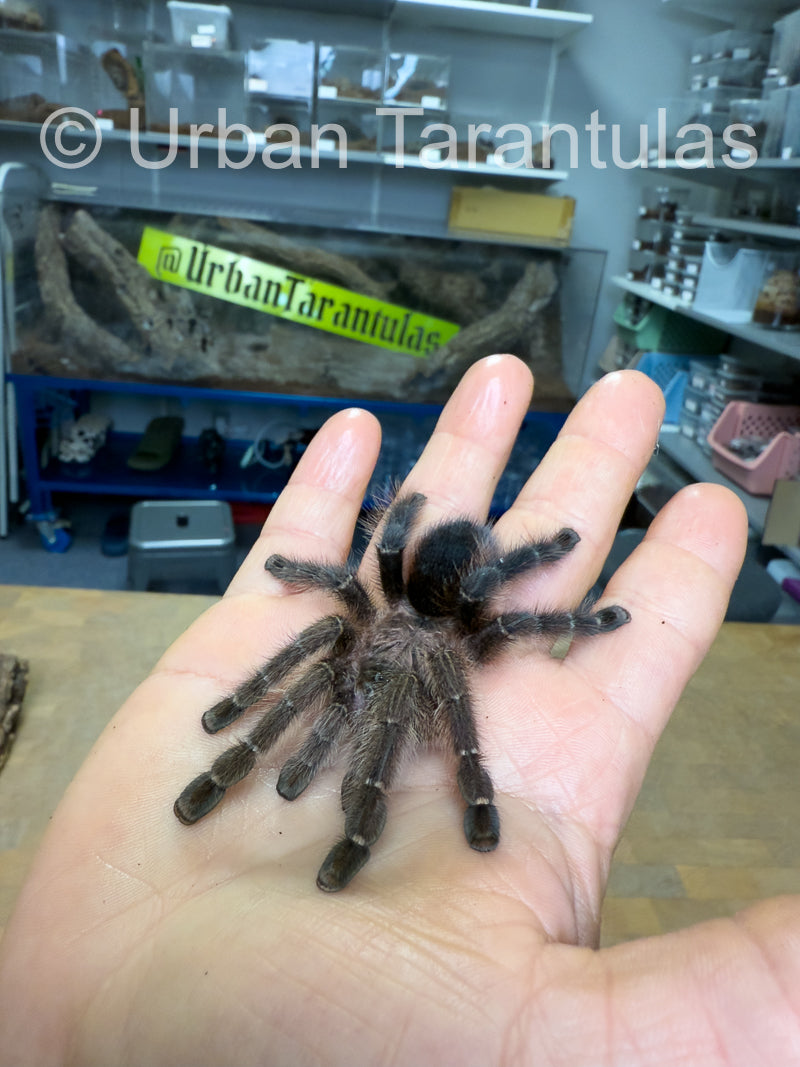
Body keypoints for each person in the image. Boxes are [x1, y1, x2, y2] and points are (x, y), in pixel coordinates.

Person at [0, 354, 790, 1067]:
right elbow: (346, 586)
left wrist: (562, 593)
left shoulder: (461, 641)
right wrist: (248, 688)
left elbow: (508, 616)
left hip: (442, 620)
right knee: (321, 648)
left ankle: (359, 835)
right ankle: (226, 760)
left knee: (433, 666)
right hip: (396, 614)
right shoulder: (363, 611)